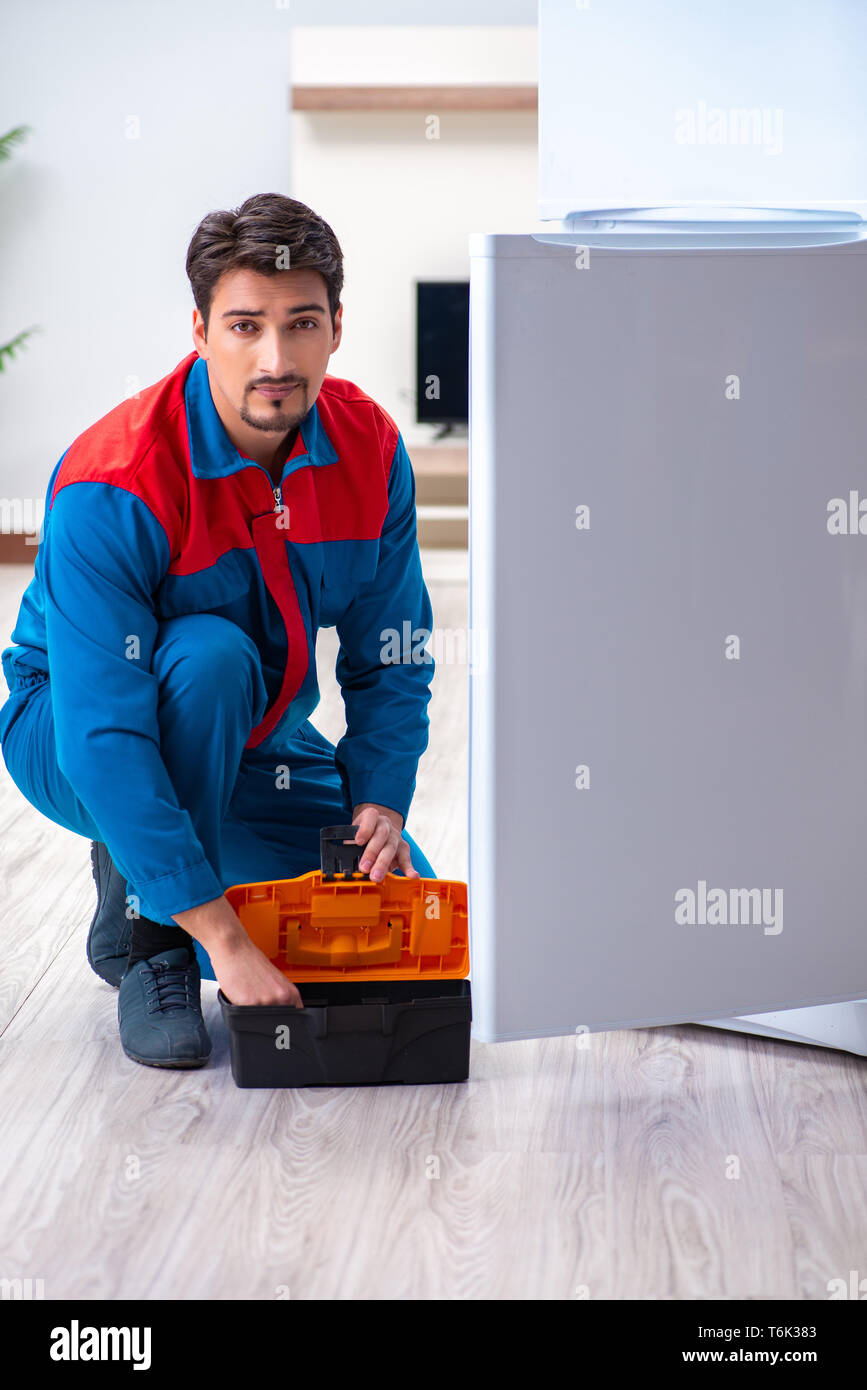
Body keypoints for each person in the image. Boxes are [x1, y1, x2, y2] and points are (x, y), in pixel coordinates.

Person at [0, 192, 436, 1070]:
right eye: (244, 325)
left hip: (258, 734)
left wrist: (379, 796)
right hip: (72, 728)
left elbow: (392, 652)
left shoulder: (371, 450)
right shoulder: (114, 482)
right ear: (198, 330)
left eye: (301, 323)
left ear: (337, 328)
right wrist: (225, 947)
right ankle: (150, 937)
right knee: (208, 655)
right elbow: (104, 730)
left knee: (392, 925)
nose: (275, 358)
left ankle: (161, 868)